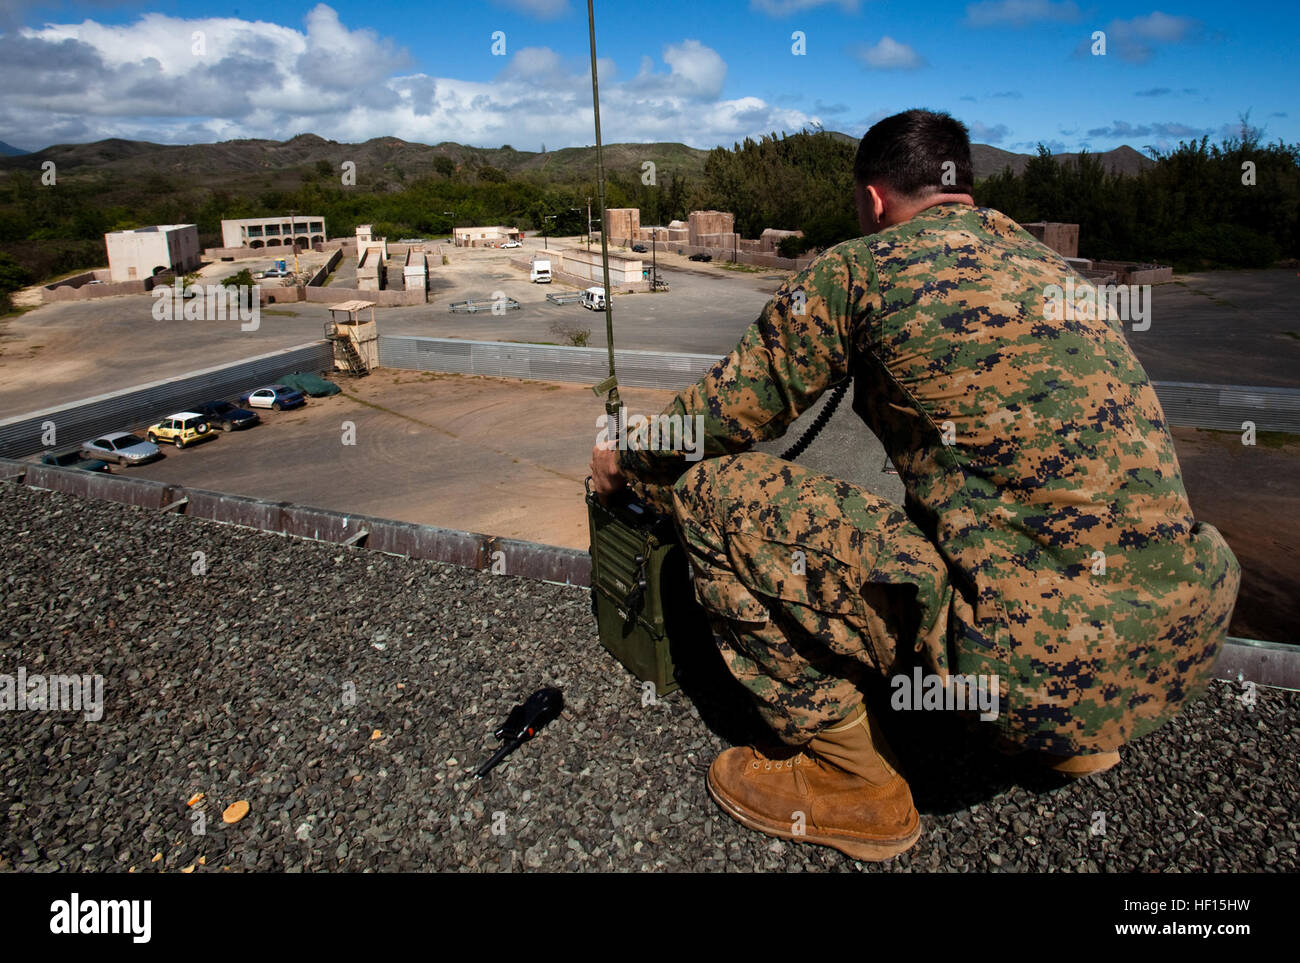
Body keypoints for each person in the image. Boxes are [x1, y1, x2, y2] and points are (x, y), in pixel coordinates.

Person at [588, 109, 1240, 862]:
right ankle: (1079, 737)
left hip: (1027, 667)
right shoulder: (1053, 270)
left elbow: (720, 419)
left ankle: (852, 780)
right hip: (1181, 638)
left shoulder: (861, 270)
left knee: (712, 498)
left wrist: (625, 459)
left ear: (872, 199)